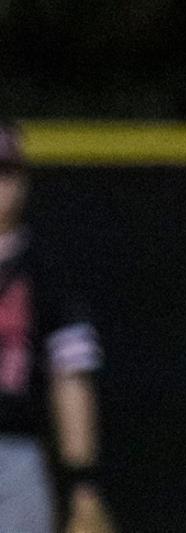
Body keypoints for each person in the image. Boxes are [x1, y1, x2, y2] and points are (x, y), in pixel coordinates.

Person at [0, 121, 114, 533]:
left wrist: (84, 485)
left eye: (6, 171)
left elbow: (71, 378)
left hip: (15, 456)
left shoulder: (47, 273)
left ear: (24, 179)